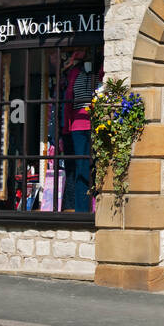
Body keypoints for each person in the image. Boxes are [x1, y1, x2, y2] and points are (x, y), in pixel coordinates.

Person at [61, 50, 98, 211]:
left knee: (88, 168)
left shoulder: (96, 73)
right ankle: (83, 209)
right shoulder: (76, 74)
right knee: (84, 168)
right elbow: (69, 101)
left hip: (89, 124)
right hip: (80, 125)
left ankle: (86, 209)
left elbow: (69, 101)